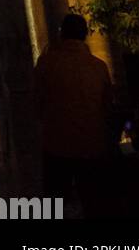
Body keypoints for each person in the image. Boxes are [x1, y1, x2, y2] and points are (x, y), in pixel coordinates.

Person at [34, 13, 113, 215]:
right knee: (94, 203)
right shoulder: (98, 66)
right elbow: (107, 106)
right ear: (85, 34)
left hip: (57, 146)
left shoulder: (46, 63)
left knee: (54, 205)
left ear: (61, 34)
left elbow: (36, 104)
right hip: (92, 145)